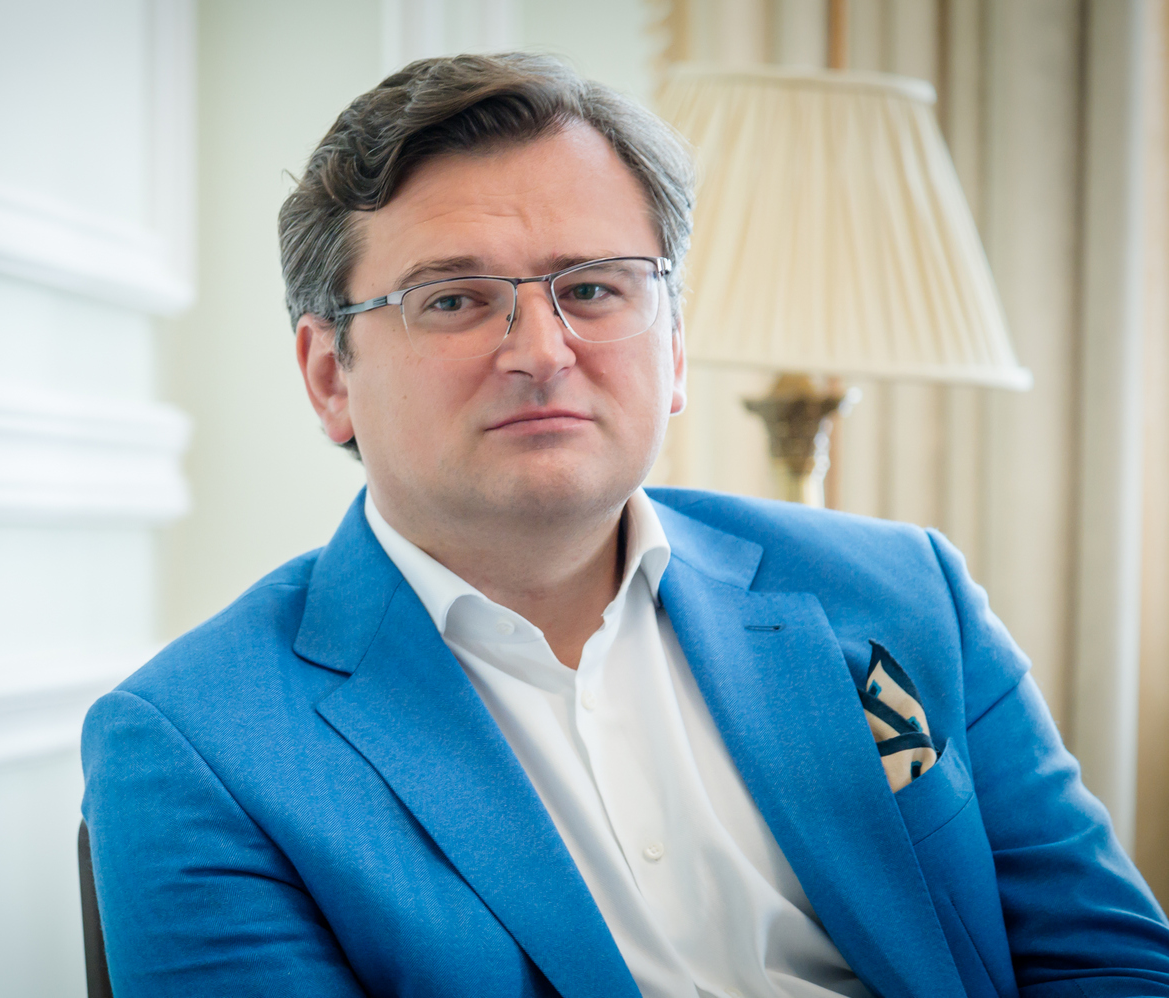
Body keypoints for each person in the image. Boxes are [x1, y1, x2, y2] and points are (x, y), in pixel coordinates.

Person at [81, 53, 1169, 998]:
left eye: (595, 288)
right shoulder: (196, 745)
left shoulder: (904, 591)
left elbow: (1110, 963)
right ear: (330, 376)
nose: (541, 350)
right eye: (454, 299)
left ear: (676, 348)